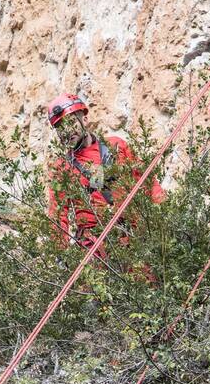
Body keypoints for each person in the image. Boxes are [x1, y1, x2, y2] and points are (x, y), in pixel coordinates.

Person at [46, 93, 165, 268]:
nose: (67, 131)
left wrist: (163, 213)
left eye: (71, 122)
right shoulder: (61, 168)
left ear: (84, 120)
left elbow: (147, 182)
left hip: (132, 237)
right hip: (94, 249)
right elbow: (58, 215)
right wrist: (60, 252)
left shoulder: (116, 147)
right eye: (60, 128)